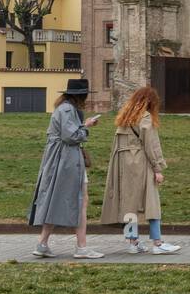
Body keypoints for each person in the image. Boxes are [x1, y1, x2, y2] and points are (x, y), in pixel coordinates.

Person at [101, 86, 181, 255]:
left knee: (128, 203)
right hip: (140, 162)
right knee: (152, 202)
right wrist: (157, 168)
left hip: (123, 164)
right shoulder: (145, 118)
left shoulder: (124, 118)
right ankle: (158, 243)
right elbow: (151, 145)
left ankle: (132, 241)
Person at [30, 78, 102, 258]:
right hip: (66, 160)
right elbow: (71, 136)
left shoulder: (62, 108)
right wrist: (87, 126)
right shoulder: (68, 109)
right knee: (81, 200)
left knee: (57, 199)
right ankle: (81, 247)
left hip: (60, 159)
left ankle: (42, 243)